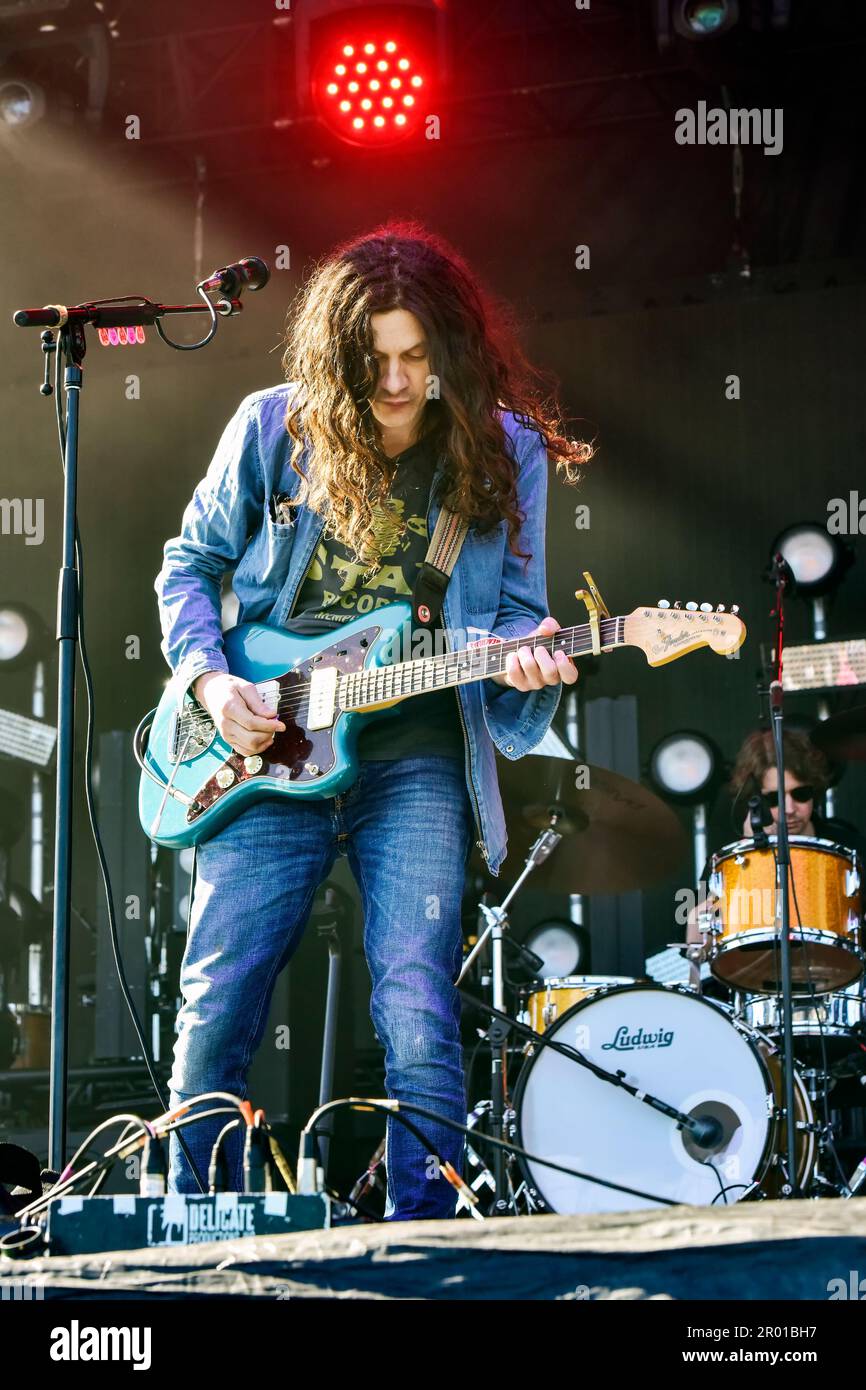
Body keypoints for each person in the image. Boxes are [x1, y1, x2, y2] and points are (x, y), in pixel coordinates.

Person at [154, 220, 590, 1218]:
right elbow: (189, 565)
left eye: (416, 359)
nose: (395, 385)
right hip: (266, 742)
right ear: (338, 358)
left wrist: (530, 667)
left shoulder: (500, 450)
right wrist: (214, 685)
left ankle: (423, 1239)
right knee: (218, 1001)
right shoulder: (274, 426)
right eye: (373, 361)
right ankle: (191, 1241)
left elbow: (518, 617)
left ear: (452, 352)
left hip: (416, 751)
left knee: (419, 1008)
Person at [685, 728, 864, 958]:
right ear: (754, 800)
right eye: (774, 798)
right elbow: (694, 941)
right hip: (754, 980)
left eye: (801, 794)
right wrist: (750, 853)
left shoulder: (851, 848)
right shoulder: (727, 861)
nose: (789, 809)